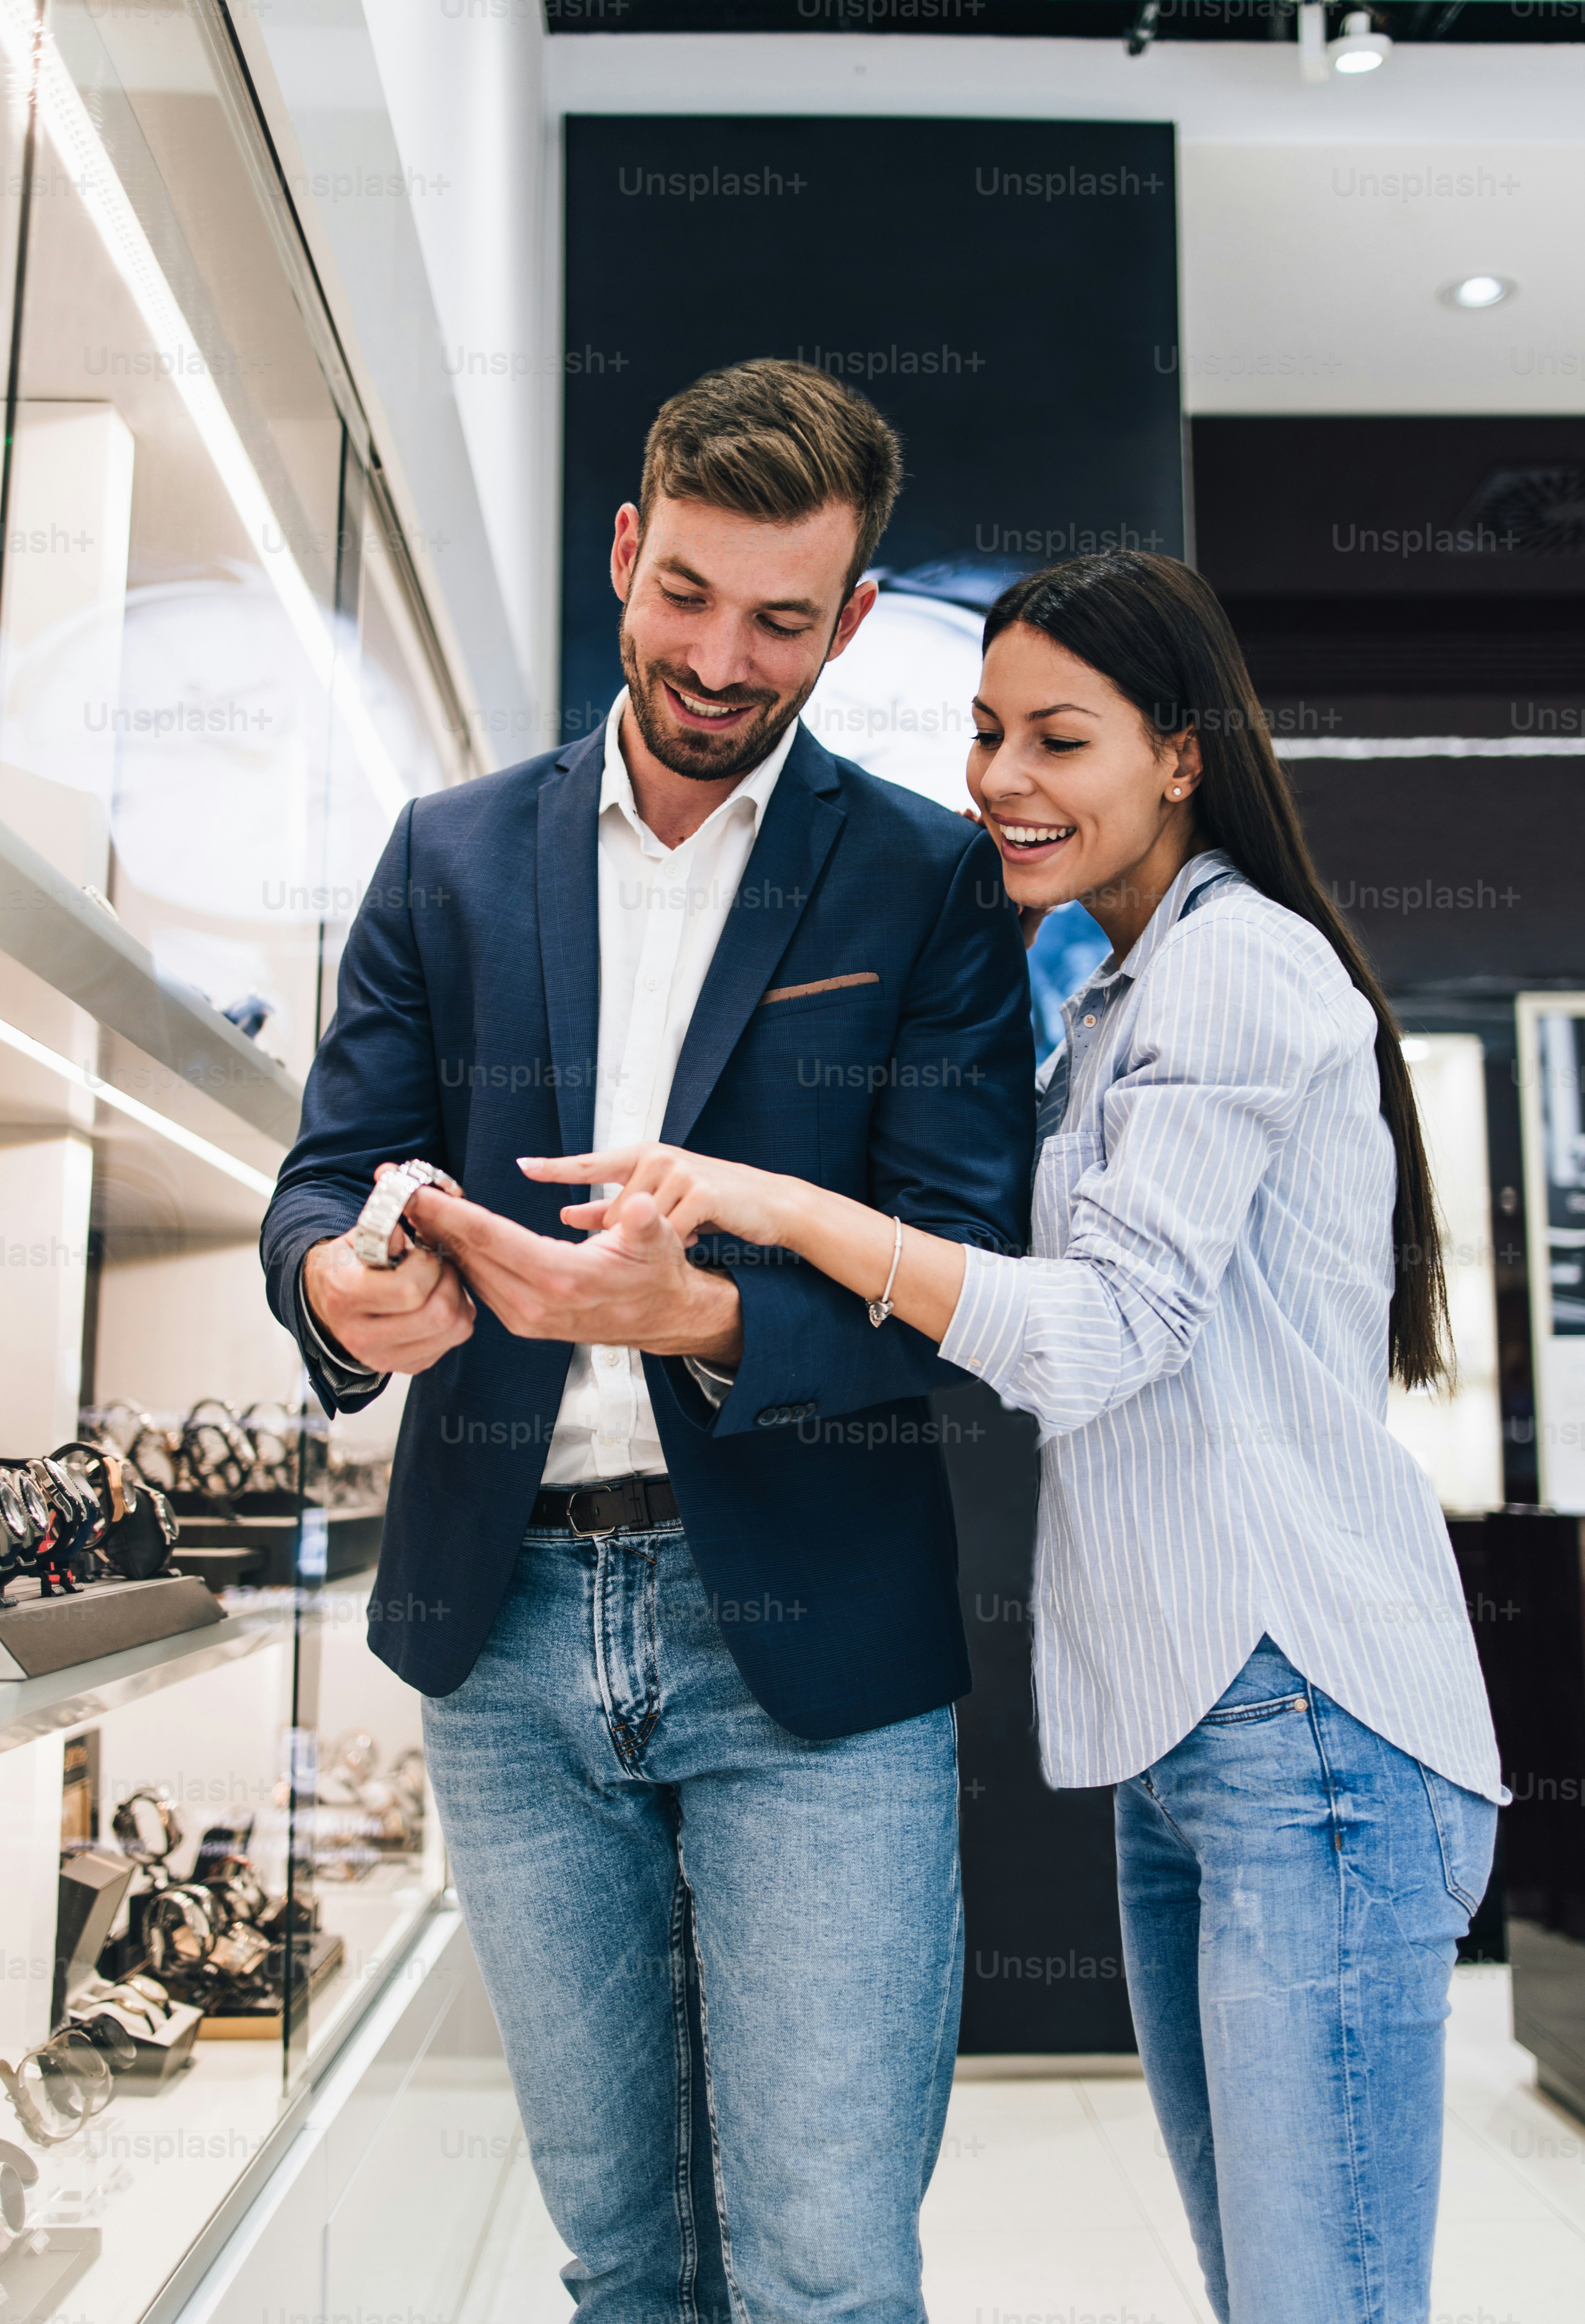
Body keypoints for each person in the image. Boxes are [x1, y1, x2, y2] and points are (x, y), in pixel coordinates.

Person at [465, 550, 1504, 2324]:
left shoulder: (1236, 964)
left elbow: (1091, 1336)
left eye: (1058, 738)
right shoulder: (1112, 989)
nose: (1001, 779)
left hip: (1312, 1722)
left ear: (1179, 755)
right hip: (1197, 1731)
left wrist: (780, 1206)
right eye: (983, 733)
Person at [260, 358, 1034, 2323]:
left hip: (806, 1644)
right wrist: (340, 1293)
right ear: (627, 547)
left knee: (824, 2268)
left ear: (852, 620)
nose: (717, 655)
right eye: (685, 592)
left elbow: (963, 1276)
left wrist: (693, 1313)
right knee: (622, 2262)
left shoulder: (921, 880)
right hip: (499, 1632)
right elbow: (323, 1177)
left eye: (782, 620)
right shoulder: (446, 854)